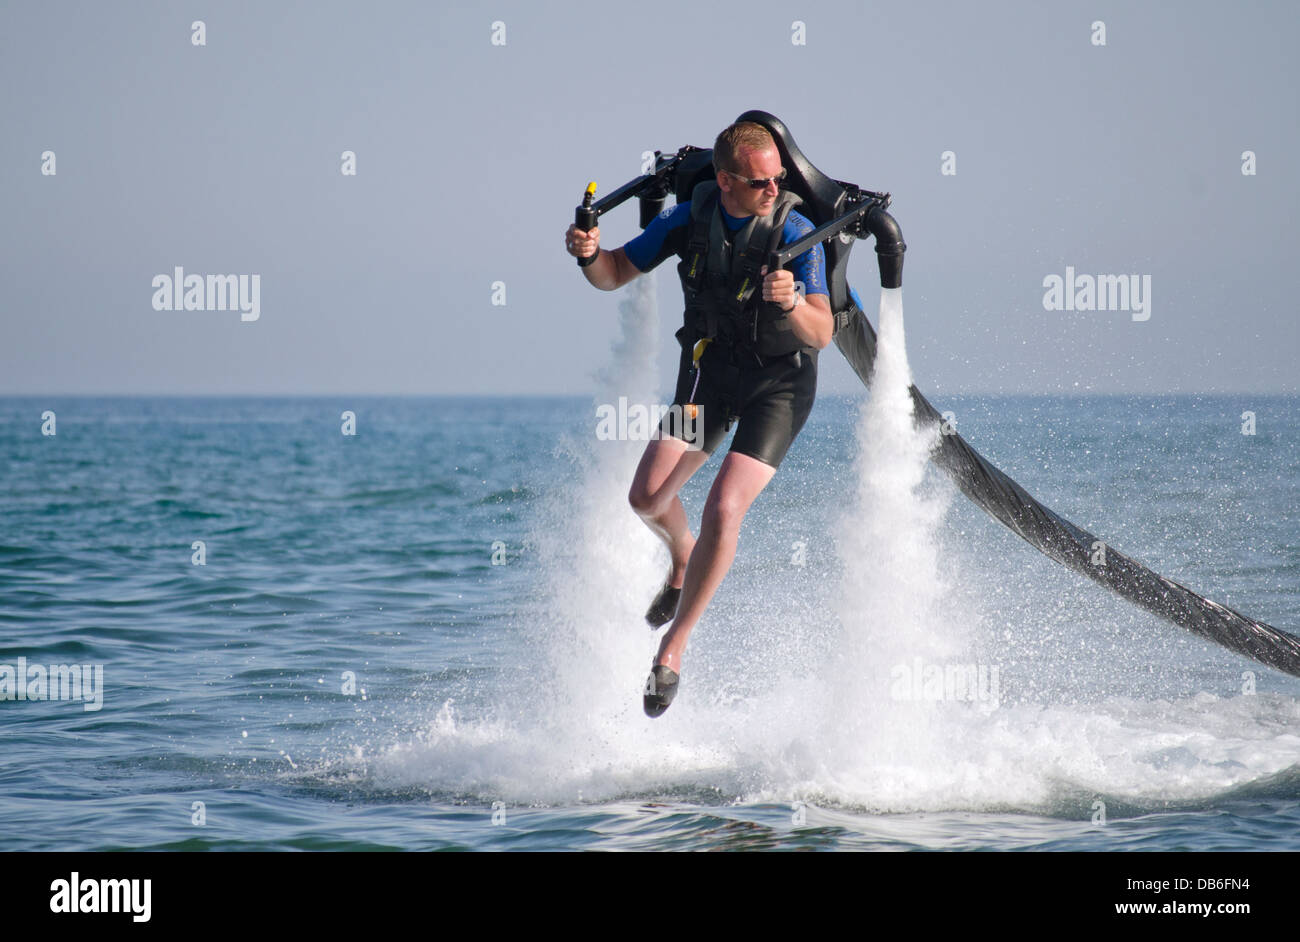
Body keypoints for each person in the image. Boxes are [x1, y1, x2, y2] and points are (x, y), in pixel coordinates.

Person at [564, 121, 833, 717]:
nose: (773, 188)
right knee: (646, 497)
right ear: (726, 180)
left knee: (723, 506)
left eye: (778, 178)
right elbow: (613, 273)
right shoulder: (690, 218)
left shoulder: (795, 230)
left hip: (777, 389)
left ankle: (673, 647)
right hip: (709, 382)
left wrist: (791, 302)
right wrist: (587, 256)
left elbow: (824, 330)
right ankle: (681, 556)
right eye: (761, 181)